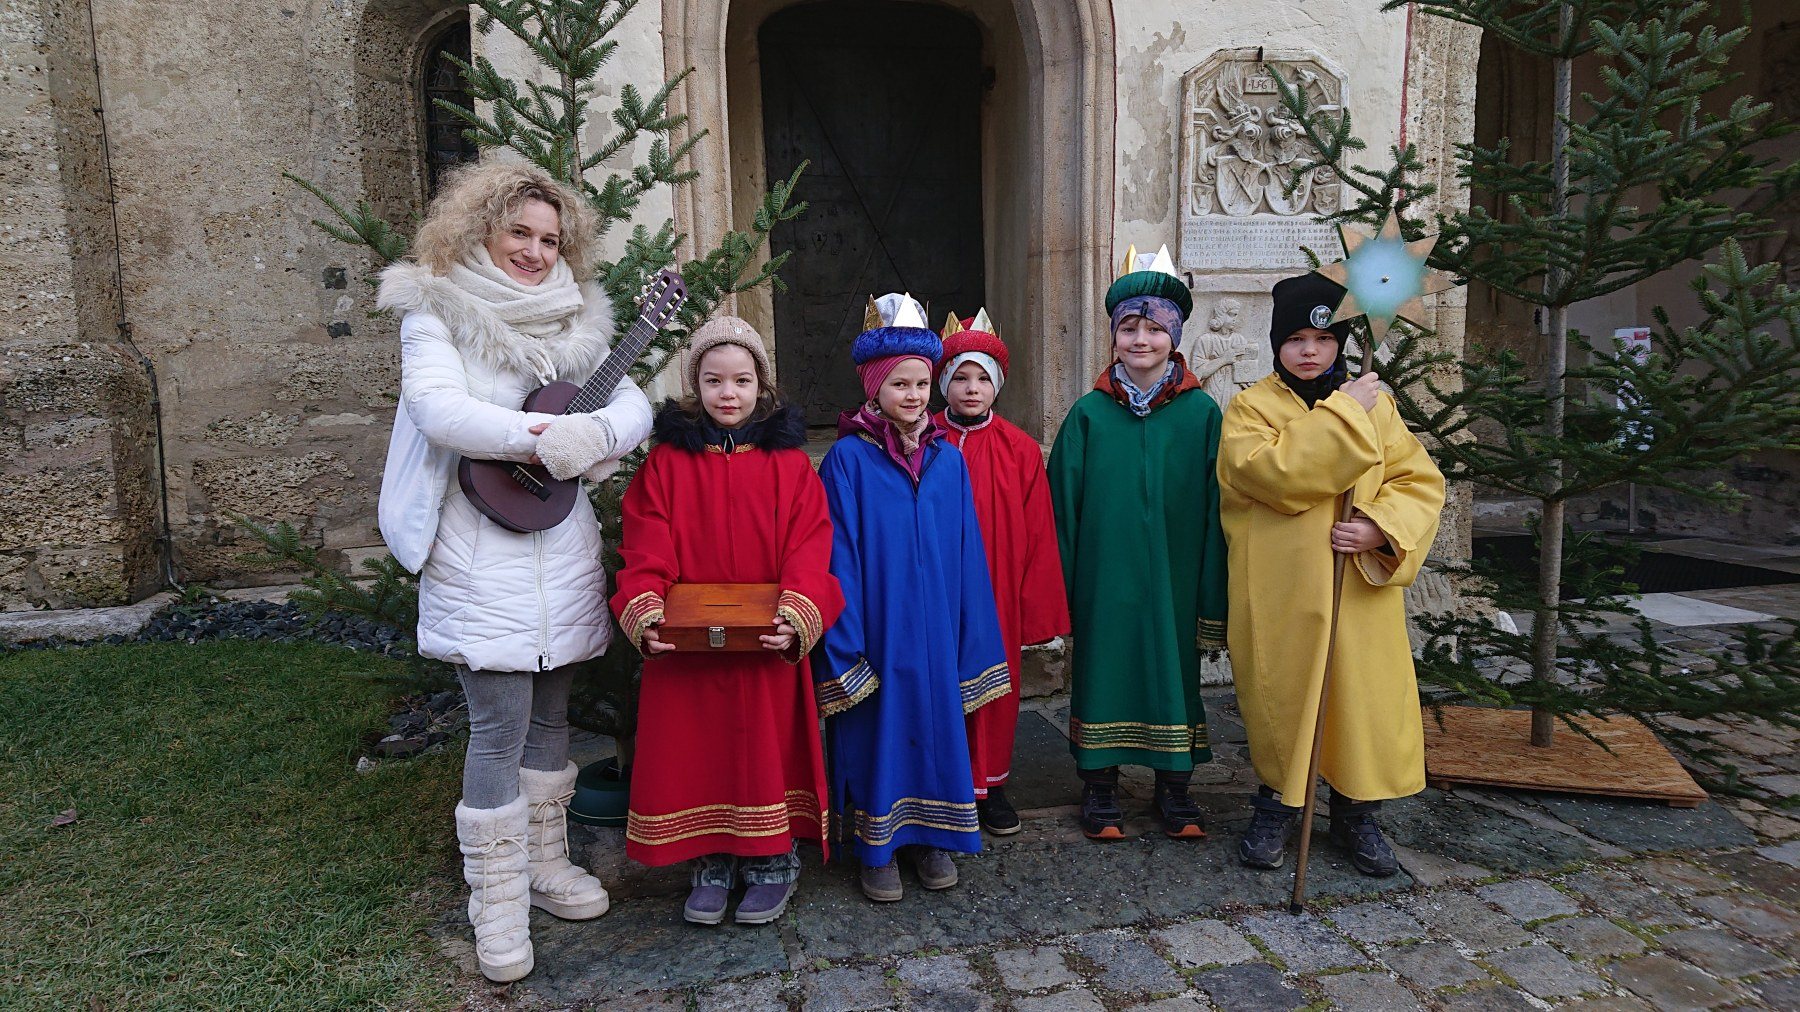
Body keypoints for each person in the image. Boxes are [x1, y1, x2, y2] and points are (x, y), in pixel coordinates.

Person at [375, 162, 651, 982]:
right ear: (481, 230)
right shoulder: (438, 308)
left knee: (552, 719)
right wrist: (542, 439)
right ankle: (494, 899)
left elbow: (631, 405)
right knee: (497, 727)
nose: (534, 252)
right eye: (519, 233)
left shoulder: (576, 317)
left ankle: (541, 861)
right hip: (476, 551)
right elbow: (439, 410)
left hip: (556, 548)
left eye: (549, 239)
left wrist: (593, 438)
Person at [611, 316, 843, 926]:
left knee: (764, 747)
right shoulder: (664, 464)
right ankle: (710, 858)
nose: (728, 394)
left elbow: (811, 544)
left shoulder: (789, 466)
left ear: (760, 387)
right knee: (699, 750)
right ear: (696, 385)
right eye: (714, 381)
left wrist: (798, 611)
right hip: (689, 646)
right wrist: (645, 605)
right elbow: (646, 541)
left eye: (741, 381)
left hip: (765, 639)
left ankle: (771, 857)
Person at [1218, 272, 1445, 877]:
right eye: (1294, 339)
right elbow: (1275, 474)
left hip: (1356, 585)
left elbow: (1417, 481)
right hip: (1282, 588)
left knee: (1357, 698)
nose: (1310, 350)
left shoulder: (1376, 403)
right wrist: (1346, 412)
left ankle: (1355, 810)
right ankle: (1278, 803)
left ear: (1342, 340)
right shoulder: (1251, 408)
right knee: (1284, 698)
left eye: (1322, 337)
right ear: (1276, 345)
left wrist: (1379, 527)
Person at [815, 293, 1012, 902]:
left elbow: (967, 556)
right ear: (874, 387)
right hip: (878, 633)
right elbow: (836, 556)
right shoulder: (847, 460)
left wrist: (970, 641)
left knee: (935, 732)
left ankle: (934, 837)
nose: (914, 395)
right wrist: (846, 650)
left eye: (923, 383)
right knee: (877, 739)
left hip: (934, 635)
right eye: (899, 383)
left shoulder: (948, 462)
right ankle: (878, 849)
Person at [1048, 245, 1228, 841]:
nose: (1141, 339)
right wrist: (1065, 591)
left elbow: (1219, 508)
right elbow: (1062, 511)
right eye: (1130, 327)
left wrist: (1210, 591)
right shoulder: (1089, 417)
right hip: (1106, 577)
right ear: (1114, 334)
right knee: (1103, 669)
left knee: (1173, 671)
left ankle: (1174, 789)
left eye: (1154, 328)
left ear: (1174, 336)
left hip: (1176, 577)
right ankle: (1098, 788)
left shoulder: (1202, 414)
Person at [932, 310, 1070, 834]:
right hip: (940, 590)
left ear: (997, 385)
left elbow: (1038, 530)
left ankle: (991, 785)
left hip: (997, 592)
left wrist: (1037, 609)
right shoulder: (927, 442)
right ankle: (946, 786)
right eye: (961, 377)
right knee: (943, 684)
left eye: (982, 378)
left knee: (994, 687)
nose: (972, 389)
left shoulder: (1019, 449)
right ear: (943, 382)